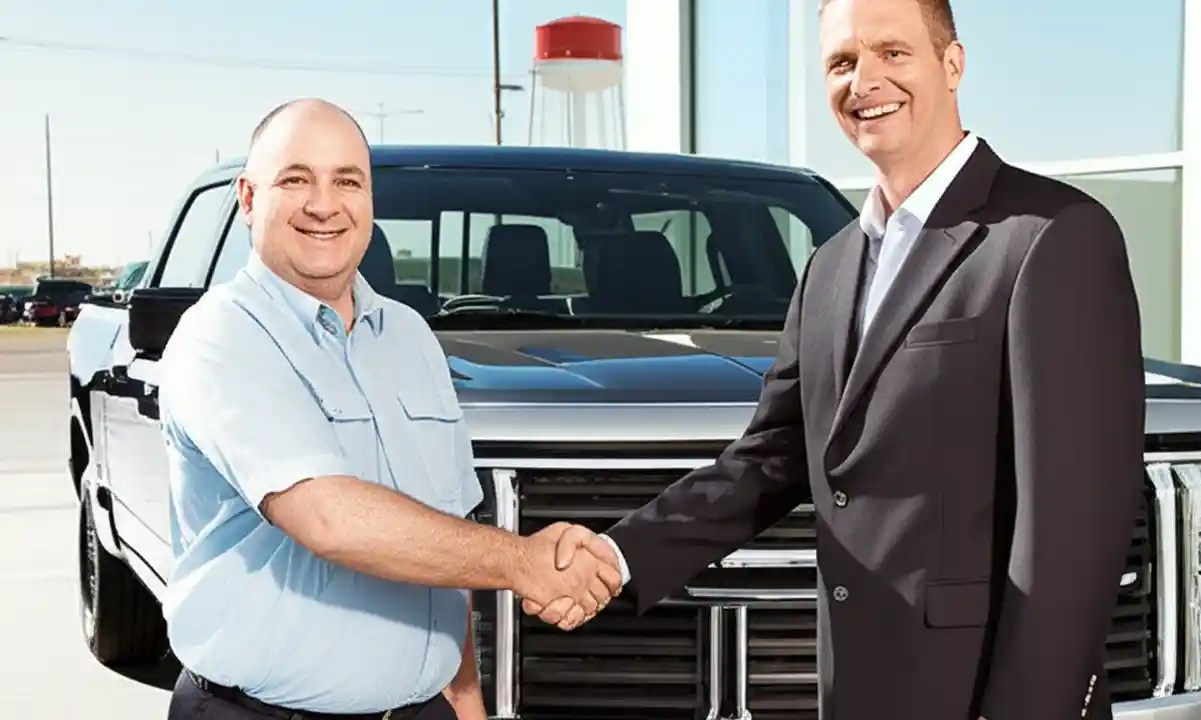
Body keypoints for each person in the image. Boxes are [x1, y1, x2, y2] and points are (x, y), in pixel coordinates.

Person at [529, 0, 1146, 718]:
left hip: (979, 694)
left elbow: (1071, 533)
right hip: (855, 687)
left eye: (893, 52)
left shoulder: (1051, 235)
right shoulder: (830, 267)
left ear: (952, 64)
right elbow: (772, 459)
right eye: (842, 62)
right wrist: (618, 556)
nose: (865, 81)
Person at [159, 98, 620, 720]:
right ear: (248, 197)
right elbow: (326, 516)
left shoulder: (409, 336)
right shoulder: (222, 335)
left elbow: (445, 533)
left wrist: (465, 700)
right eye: (296, 179)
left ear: (370, 200)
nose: (324, 205)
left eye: (347, 181)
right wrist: (524, 563)